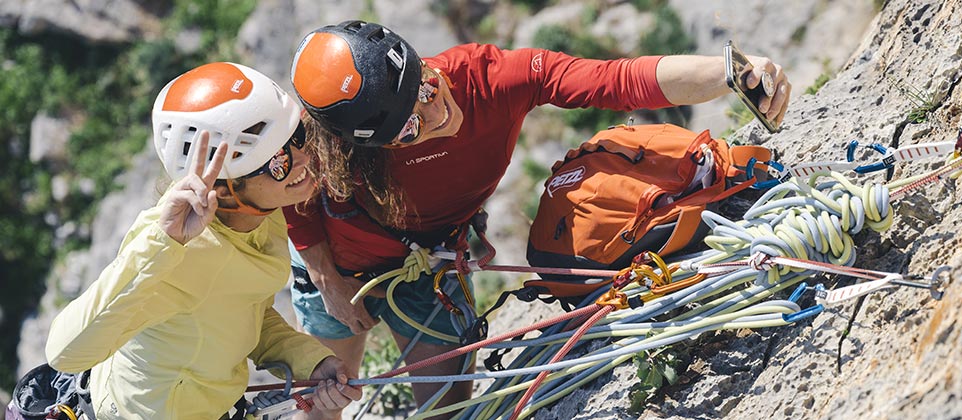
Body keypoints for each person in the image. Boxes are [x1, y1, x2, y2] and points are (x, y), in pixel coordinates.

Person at [284, 20, 792, 415]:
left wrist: (733, 72)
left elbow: (616, 81)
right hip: (335, 267)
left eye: (424, 85)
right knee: (324, 401)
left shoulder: (490, 78)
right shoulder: (328, 145)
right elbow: (294, 198)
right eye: (409, 126)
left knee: (447, 408)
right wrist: (327, 278)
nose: (433, 111)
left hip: (428, 266)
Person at [44, 62, 361, 420]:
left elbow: (244, 314)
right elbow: (65, 352)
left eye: (297, 138)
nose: (304, 158)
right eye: (278, 162)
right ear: (225, 192)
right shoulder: (181, 250)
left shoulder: (262, 216)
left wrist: (311, 361)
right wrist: (161, 244)